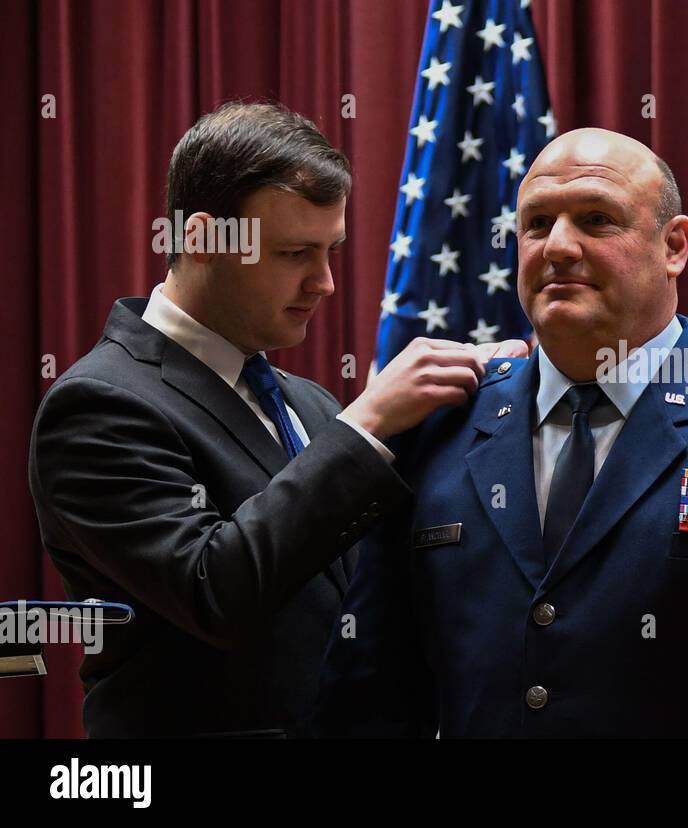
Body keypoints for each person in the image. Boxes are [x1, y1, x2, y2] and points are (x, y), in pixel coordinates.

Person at [314, 128, 688, 738]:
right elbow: (371, 692)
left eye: (595, 219)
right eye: (536, 224)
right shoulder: (438, 422)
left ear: (675, 245)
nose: (558, 245)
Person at [28, 102, 524, 737]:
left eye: (331, 251)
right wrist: (370, 419)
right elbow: (214, 590)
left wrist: (478, 399)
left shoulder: (310, 404)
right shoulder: (99, 404)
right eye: (295, 253)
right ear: (204, 238)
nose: (324, 283)